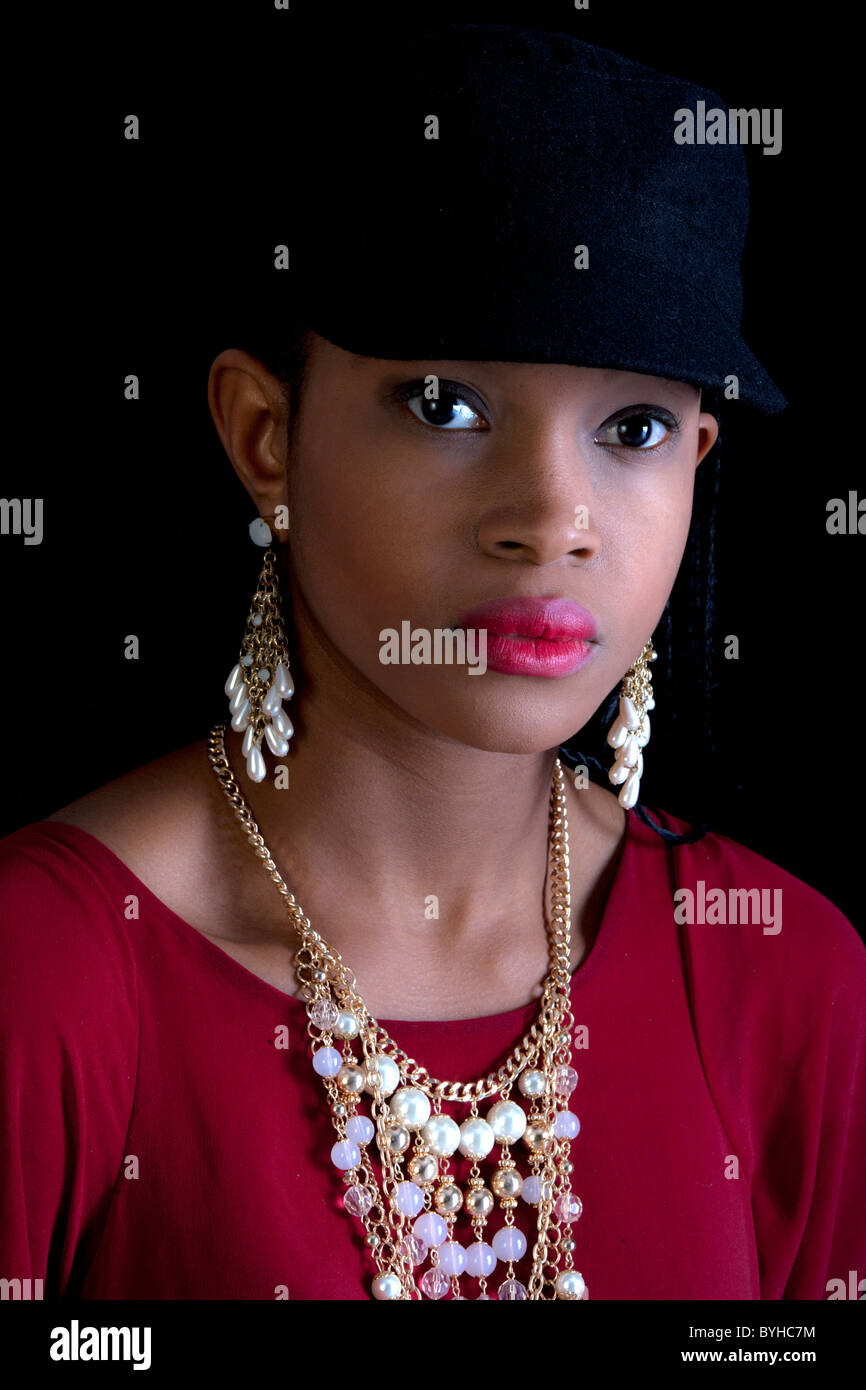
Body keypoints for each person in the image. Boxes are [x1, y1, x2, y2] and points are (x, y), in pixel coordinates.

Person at [1, 22, 863, 1302]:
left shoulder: (788, 977)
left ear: (693, 467)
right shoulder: (51, 969)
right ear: (265, 437)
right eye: (445, 404)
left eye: (630, 426)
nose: (550, 517)